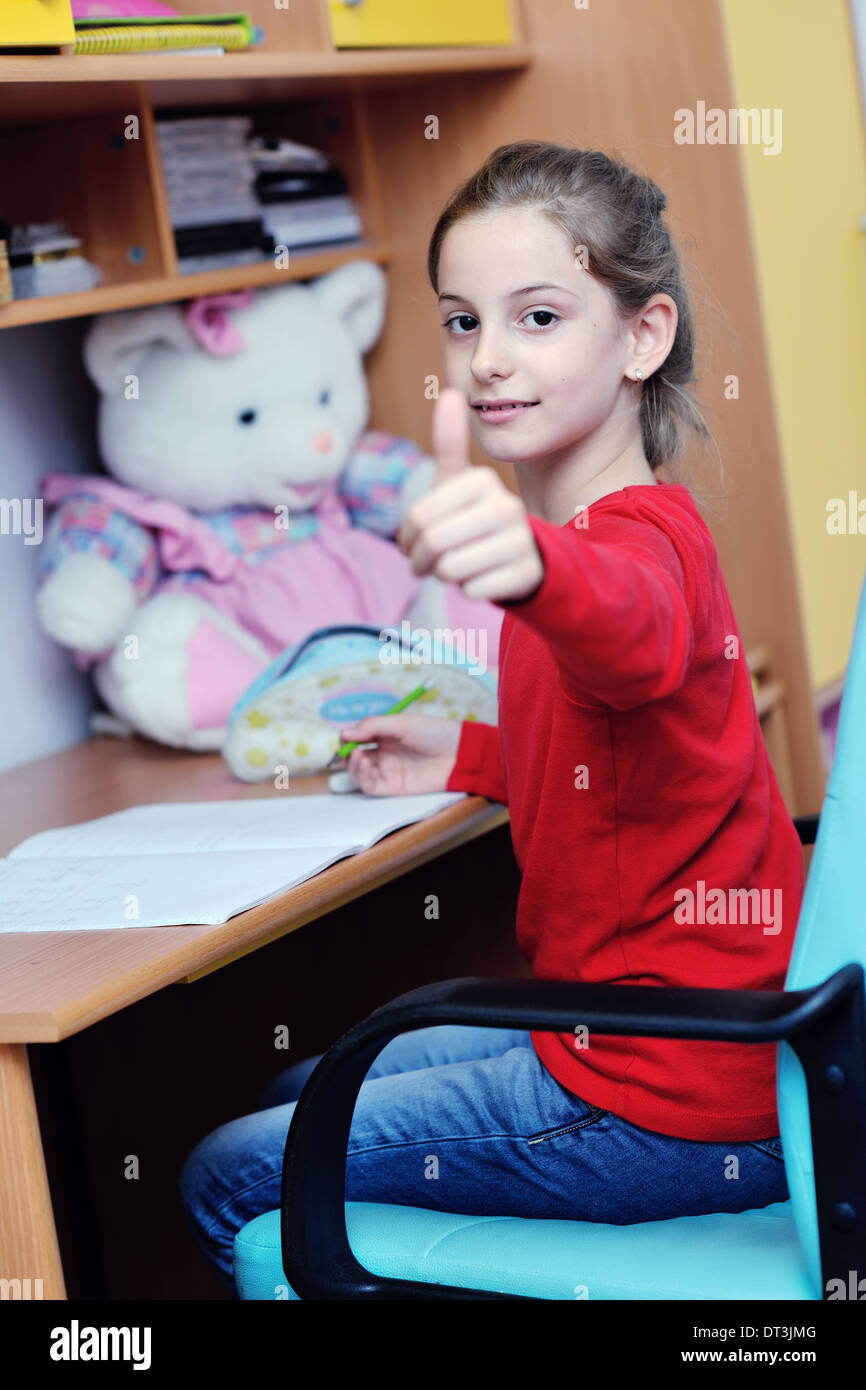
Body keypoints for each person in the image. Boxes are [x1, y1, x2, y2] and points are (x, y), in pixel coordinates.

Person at [179, 141, 800, 1294]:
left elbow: (633, 631)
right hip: (689, 1046)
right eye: (462, 323)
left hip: (662, 1095)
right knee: (290, 1094)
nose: (489, 359)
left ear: (641, 337)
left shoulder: (633, 548)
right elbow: (617, 757)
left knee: (228, 1170)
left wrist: (529, 566)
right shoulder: (583, 545)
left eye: (539, 317)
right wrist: (465, 753)